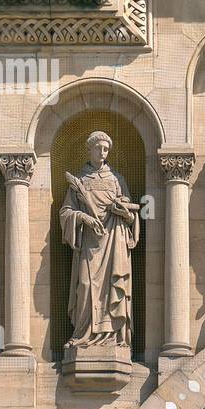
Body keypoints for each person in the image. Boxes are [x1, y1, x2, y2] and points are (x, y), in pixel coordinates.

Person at [60, 131, 139, 348]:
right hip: (89, 243)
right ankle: (83, 333)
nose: (103, 153)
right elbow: (66, 212)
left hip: (114, 240)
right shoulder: (80, 181)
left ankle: (114, 337)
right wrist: (84, 218)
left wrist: (122, 212)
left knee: (114, 288)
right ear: (90, 149)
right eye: (99, 148)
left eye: (106, 149)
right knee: (85, 285)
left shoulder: (117, 180)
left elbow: (132, 216)